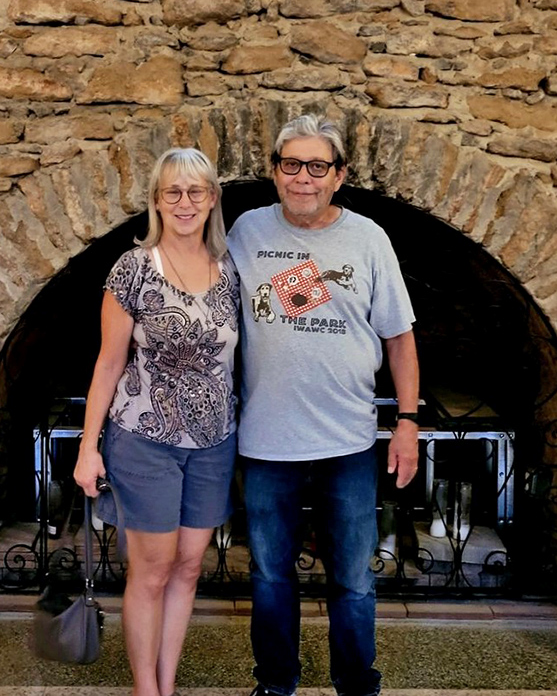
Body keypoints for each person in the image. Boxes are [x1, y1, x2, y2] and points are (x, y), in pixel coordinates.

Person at [227, 114, 419, 696]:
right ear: (274, 171)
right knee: (268, 577)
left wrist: (407, 423)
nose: (303, 178)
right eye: (292, 165)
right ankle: (277, 682)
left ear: (338, 176)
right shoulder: (245, 232)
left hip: (350, 442)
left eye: (317, 167)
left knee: (355, 580)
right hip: (265, 439)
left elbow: (399, 338)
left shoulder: (368, 239)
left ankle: (357, 683)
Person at [74, 147, 239, 696]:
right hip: (145, 439)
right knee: (152, 570)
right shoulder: (133, 268)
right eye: (173, 192)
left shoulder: (232, 267)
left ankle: (168, 684)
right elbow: (108, 361)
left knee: (189, 567)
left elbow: (292, 318)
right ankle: (147, 691)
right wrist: (87, 447)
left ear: (212, 199)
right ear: (157, 201)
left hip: (215, 444)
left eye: (196, 191)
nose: (185, 202)